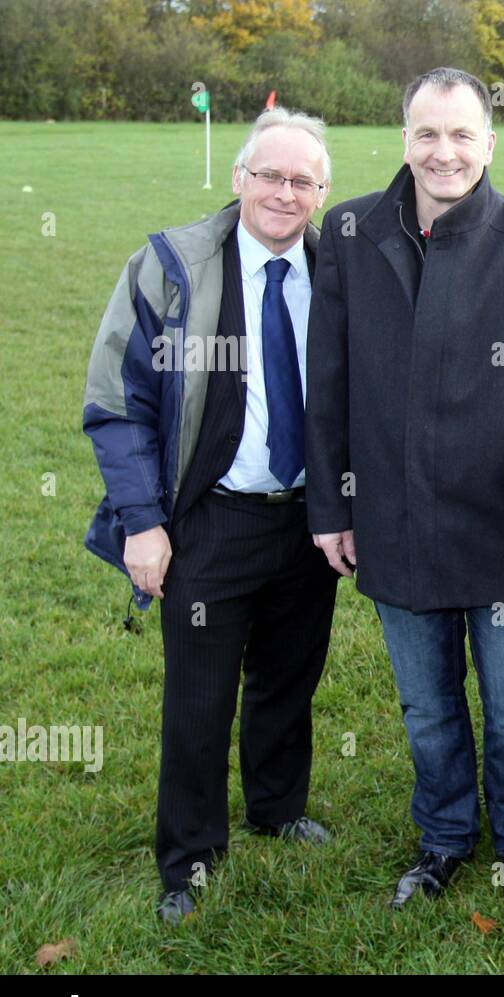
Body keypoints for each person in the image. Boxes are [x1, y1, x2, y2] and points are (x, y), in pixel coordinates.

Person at [306, 68, 504, 912]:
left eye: (462, 134)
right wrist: (331, 507)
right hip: (391, 521)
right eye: (427, 133)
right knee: (427, 709)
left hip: (502, 536)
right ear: (404, 139)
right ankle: (444, 836)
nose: (444, 151)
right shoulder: (351, 231)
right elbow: (328, 382)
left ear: (489, 145)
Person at [83, 108, 340, 925]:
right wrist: (142, 521)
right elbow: (118, 404)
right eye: (268, 174)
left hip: (309, 519)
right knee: (199, 696)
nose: (283, 192)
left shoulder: (338, 270)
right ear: (239, 177)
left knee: (289, 678)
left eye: (302, 180)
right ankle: (190, 853)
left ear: (321, 192)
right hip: (207, 518)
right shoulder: (171, 265)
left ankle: (277, 803)